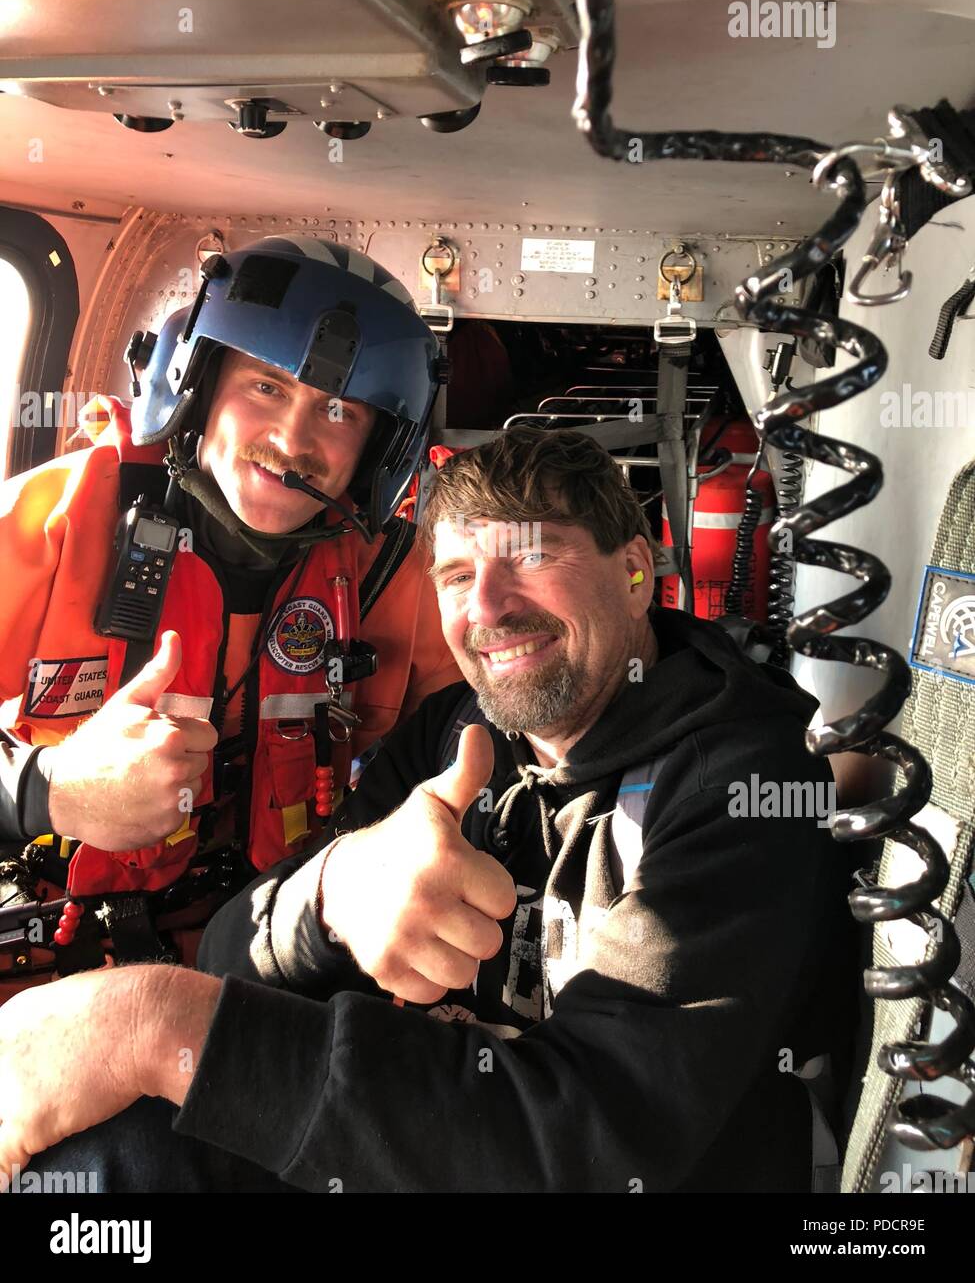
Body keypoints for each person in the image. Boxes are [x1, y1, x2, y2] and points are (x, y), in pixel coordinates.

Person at [0, 428, 858, 1192]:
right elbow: (234, 947)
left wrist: (155, 1026)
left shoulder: (741, 785)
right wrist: (334, 894)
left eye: (529, 557)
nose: (485, 608)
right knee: (114, 1160)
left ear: (635, 574)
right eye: (455, 573)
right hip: (443, 1130)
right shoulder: (456, 734)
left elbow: (592, 1141)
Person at [0, 236, 460, 979]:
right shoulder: (58, 519)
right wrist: (48, 792)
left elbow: (471, 735)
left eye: (339, 411)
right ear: (198, 383)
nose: (292, 441)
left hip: (277, 961)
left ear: (379, 447)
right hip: (54, 962)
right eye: (266, 388)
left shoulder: (398, 578)